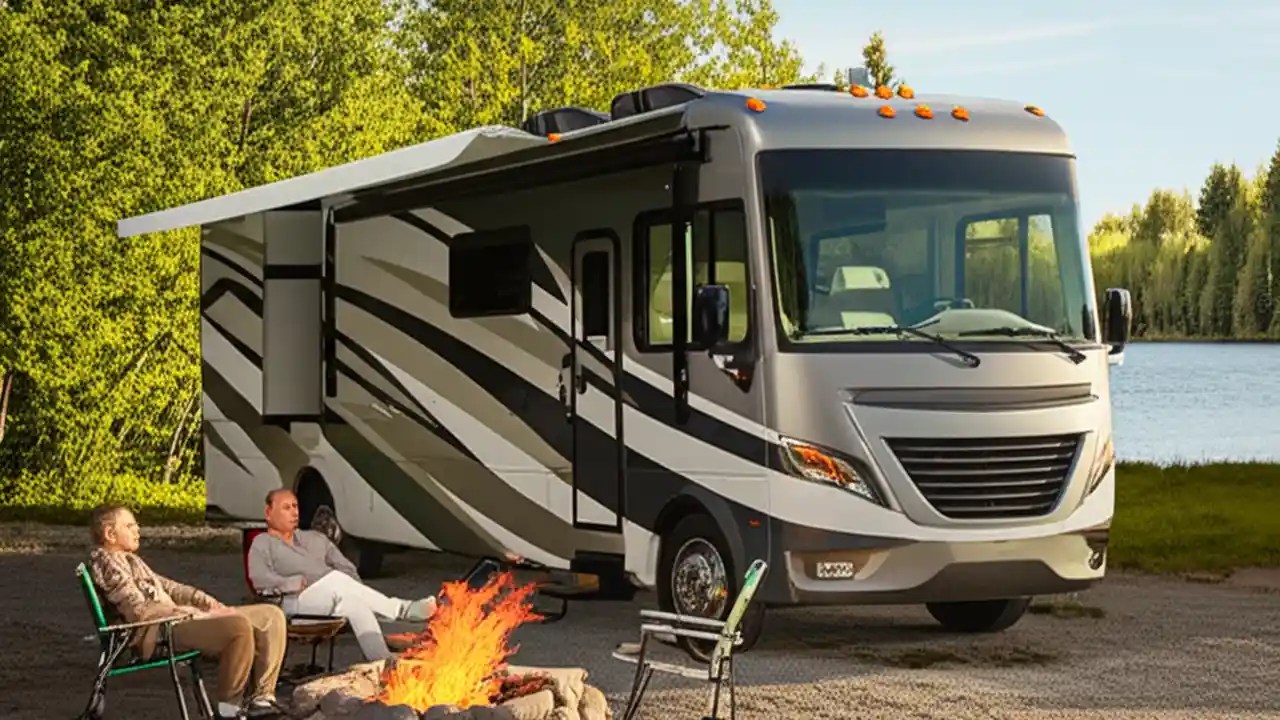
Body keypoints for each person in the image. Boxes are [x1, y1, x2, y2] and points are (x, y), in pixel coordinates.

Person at [88, 504, 286, 720]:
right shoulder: (107, 565)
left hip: (179, 617)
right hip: (158, 630)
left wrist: (209, 604)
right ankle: (229, 709)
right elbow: (138, 610)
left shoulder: (130, 560)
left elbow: (172, 588)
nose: (138, 530)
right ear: (110, 534)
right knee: (237, 628)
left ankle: (261, 698)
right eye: (129, 525)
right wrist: (191, 613)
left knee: (271, 616)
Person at [246, 488, 437, 662]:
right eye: (286, 507)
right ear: (269, 513)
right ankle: (401, 609)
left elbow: (346, 567)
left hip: (329, 597)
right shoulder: (262, 543)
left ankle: (383, 660)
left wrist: (353, 590)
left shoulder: (315, 538)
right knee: (336, 580)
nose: (294, 512)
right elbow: (259, 579)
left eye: (295, 506)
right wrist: (290, 583)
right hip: (290, 602)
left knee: (354, 604)